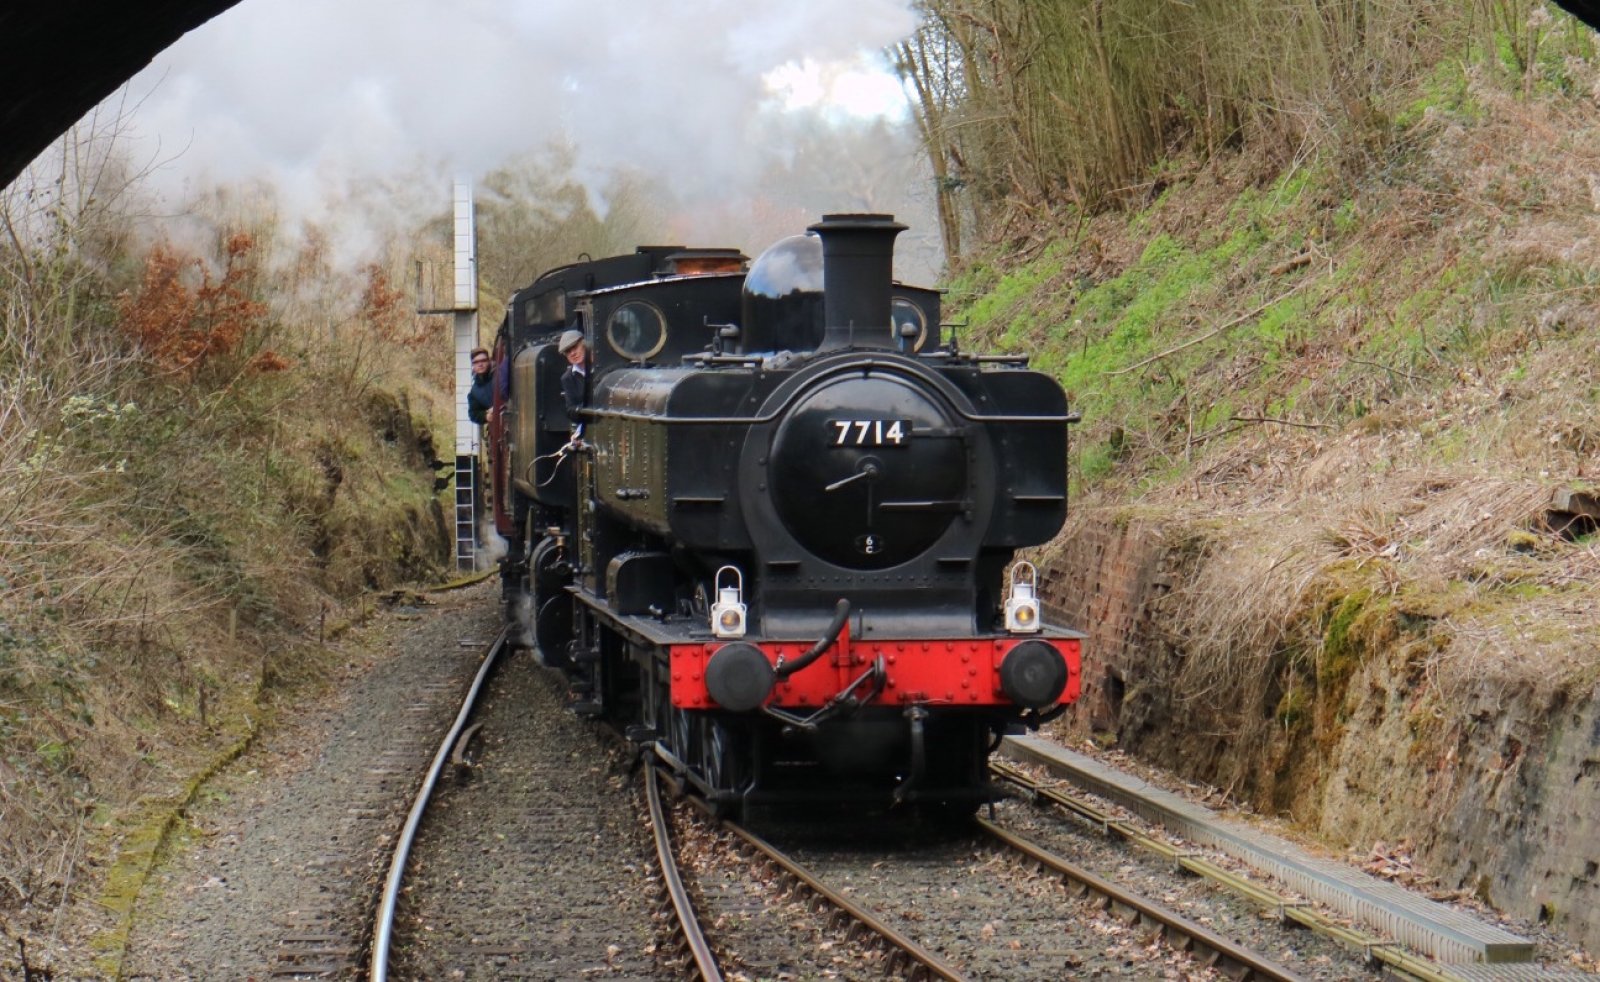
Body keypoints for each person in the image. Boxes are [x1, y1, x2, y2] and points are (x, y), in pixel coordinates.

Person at [558, 329, 588, 419]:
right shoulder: (567, 378)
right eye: (568, 351)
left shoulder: (600, 368)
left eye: (575, 347)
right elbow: (571, 410)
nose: (573, 353)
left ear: (585, 345)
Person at [466, 347, 494, 425]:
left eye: (483, 361)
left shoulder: (500, 375)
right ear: (472, 365)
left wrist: (497, 408)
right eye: (476, 362)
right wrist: (486, 416)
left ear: (489, 361)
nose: (480, 364)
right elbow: (473, 413)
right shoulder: (475, 391)